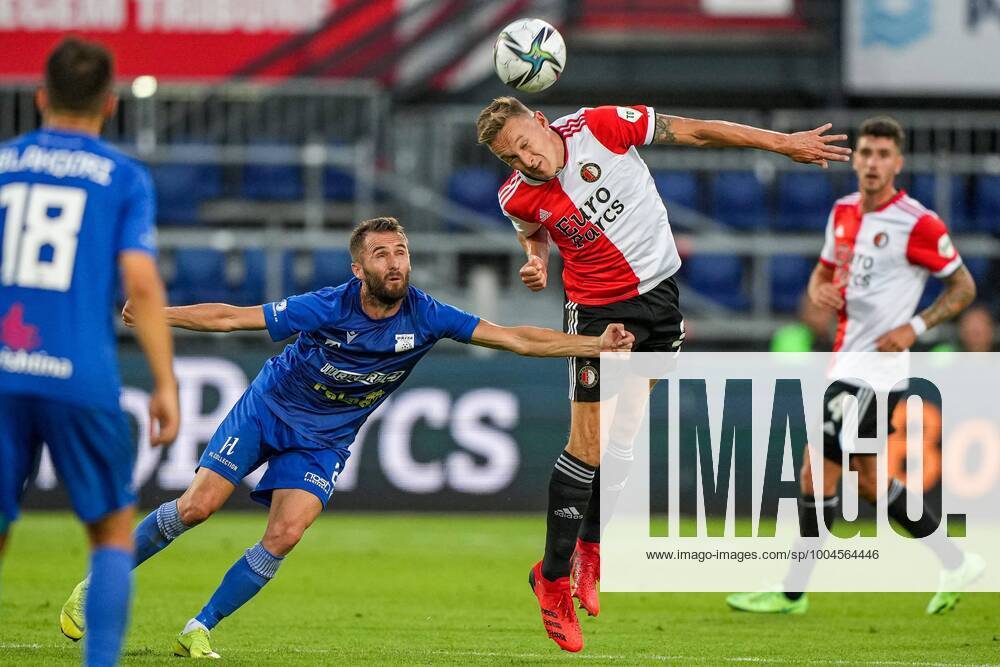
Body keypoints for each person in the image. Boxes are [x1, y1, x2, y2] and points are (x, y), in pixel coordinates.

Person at [59, 216, 635, 659]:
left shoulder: (427, 315)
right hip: (269, 410)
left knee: (285, 534)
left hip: (325, 440)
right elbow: (235, 317)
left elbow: (517, 339)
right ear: (359, 268)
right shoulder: (325, 307)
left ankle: (198, 629)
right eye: (381, 254)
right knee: (196, 508)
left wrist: (596, 345)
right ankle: (98, 583)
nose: (395, 262)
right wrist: (160, 313)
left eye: (401, 252)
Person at [476, 96, 851, 652]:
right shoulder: (517, 194)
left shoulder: (601, 127)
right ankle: (551, 579)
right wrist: (535, 260)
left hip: (661, 296)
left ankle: (591, 550)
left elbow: (696, 131)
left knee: (627, 430)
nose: (526, 160)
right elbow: (532, 232)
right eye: (512, 157)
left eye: (526, 143)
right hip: (598, 314)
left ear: (539, 119)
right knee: (589, 442)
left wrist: (782, 142)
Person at [726, 116, 982, 617]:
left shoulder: (917, 223)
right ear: (856, 158)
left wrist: (917, 326)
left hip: (876, 371)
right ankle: (954, 560)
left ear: (898, 163)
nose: (872, 163)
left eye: (883, 155)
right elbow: (823, 273)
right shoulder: (842, 212)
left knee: (816, 469)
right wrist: (815, 290)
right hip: (845, 360)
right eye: (866, 153)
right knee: (866, 479)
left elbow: (964, 288)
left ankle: (793, 592)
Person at [0, 38, 179, 667]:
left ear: (39, 97)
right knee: (108, 531)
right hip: (81, 374)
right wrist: (165, 382)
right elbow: (142, 283)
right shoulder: (123, 177)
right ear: (110, 105)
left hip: (2, 376)